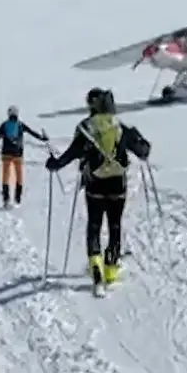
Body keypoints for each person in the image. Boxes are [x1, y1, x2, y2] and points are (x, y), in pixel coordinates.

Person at [46, 88, 151, 292]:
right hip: (117, 184)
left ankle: (96, 269)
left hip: (94, 183)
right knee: (114, 225)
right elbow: (143, 151)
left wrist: (54, 164)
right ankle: (111, 270)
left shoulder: (86, 127)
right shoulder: (119, 126)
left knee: (94, 225)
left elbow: (71, 154)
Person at [0, 105, 48, 208]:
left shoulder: (4, 125)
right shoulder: (20, 125)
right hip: (18, 154)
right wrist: (42, 138)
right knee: (19, 175)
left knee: (6, 176)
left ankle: (6, 198)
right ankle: (17, 198)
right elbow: (32, 132)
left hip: (6, 154)